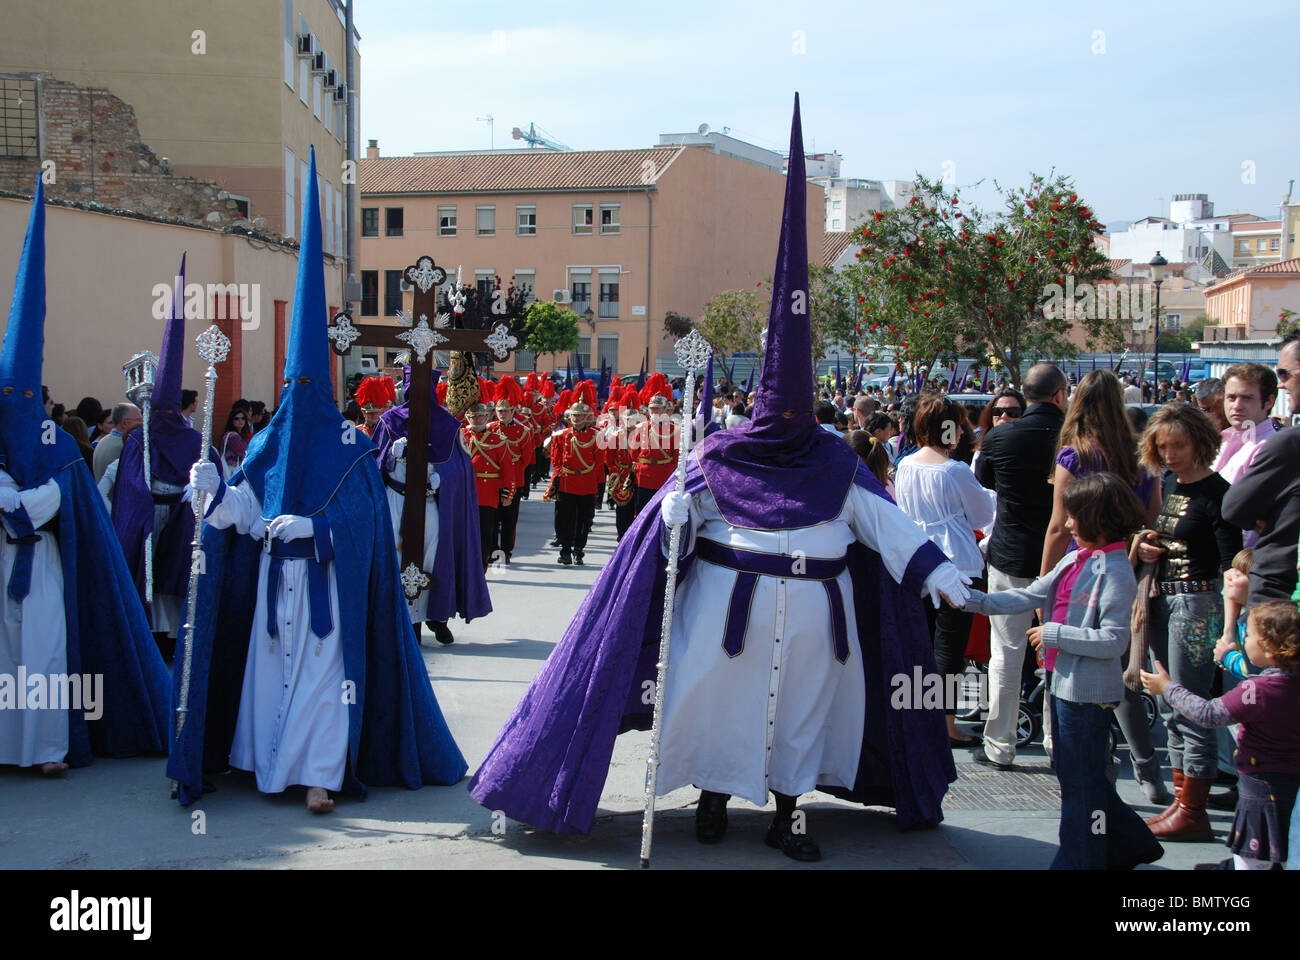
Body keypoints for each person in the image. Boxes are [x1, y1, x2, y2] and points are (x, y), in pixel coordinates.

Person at [469, 97, 971, 861]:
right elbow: (676, 514)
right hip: (725, 610)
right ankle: (708, 797)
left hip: (818, 618)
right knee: (709, 707)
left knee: (803, 717)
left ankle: (786, 814)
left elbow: (883, 525)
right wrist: (673, 516)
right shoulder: (719, 458)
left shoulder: (836, 461)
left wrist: (934, 572)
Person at [174, 151, 466, 814]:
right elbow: (240, 514)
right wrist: (209, 490)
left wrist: (316, 528)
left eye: (309, 384)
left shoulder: (350, 445)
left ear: (323, 385)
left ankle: (320, 775)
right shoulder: (271, 439)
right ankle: (266, 765)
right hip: (274, 583)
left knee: (325, 682)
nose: (299, 394)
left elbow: (365, 529)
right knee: (269, 679)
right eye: (291, 384)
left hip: (325, 588)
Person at [0, 179, 170, 774]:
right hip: (3, 561)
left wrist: (23, 497)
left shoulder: (62, 450)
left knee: (44, 654)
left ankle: (47, 748)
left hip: (42, 567)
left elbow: (41, 507)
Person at [962, 473, 1164, 869]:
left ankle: (1079, 859)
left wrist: (1054, 633)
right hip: (1066, 687)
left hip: (1087, 695)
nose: (1067, 524)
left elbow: (1113, 642)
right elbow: (1032, 594)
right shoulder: (1077, 557)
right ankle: (1130, 843)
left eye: (1074, 517)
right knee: (1085, 780)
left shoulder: (1117, 573)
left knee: (1081, 786)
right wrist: (973, 601)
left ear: (1098, 519)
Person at [1037, 368, 1164, 798]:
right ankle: (1147, 768)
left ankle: (1092, 762)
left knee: (1074, 666)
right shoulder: (1140, 456)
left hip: (1082, 570)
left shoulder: (1073, 456)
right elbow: (1153, 518)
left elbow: (1058, 526)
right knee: (1124, 669)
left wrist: (1044, 586)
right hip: (1125, 565)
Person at [1134, 403, 1241, 840]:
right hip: (1164, 600)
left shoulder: (1219, 493)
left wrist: (1230, 627)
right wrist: (1144, 547)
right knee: (1168, 702)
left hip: (1197, 604)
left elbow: (1231, 564)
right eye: (1163, 446)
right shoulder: (1171, 482)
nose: (1171, 454)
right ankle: (1184, 802)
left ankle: (1192, 809)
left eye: (1178, 445)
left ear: (1199, 442)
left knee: (1187, 701)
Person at [110, 255, 219, 656]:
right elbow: (129, 484)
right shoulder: (140, 439)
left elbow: (212, 477)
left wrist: (193, 497)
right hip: (151, 515)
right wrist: (143, 504)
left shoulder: (194, 440)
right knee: (149, 573)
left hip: (181, 516)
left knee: (177, 575)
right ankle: (151, 634)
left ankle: (174, 635)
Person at [1143, 599, 1300, 869]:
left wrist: (1167, 688)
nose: (1244, 639)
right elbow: (1247, 667)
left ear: (1270, 648)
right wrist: (1228, 657)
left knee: (1252, 863)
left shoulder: (1256, 691)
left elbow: (1208, 713)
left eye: (1248, 635)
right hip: (1293, 794)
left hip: (1260, 795)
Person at [974, 363, 1067, 769]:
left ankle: (1000, 744)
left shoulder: (1000, 436)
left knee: (1006, 652)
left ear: (1026, 396)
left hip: (1012, 555)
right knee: (1061, 650)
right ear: (1061, 394)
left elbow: (987, 481)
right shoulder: (1073, 437)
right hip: (1063, 558)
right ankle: (1057, 743)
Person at [894, 393, 994, 747]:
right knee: (950, 646)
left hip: (917, 560)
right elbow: (983, 515)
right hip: (957, 563)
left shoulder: (905, 465)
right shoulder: (955, 470)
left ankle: (923, 715)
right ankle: (946, 722)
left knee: (922, 641)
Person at [371, 367, 492, 646]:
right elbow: (372, 464)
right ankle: (399, 618)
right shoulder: (389, 421)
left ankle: (435, 616)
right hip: (396, 499)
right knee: (394, 556)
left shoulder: (448, 425)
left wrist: (441, 478)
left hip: (428, 501)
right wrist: (392, 454)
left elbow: (461, 470)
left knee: (434, 557)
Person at [1220, 333, 1300, 604]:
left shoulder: (1281, 444)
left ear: (1267, 403)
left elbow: (1233, 509)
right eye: (1230, 397)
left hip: (1258, 576)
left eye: (1246, 398)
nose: (1236, 405)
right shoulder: (1222, 442)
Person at [546, 382, 606, 565]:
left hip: (587, 482)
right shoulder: (561, 436)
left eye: (581, 415)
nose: (577, 418)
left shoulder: (597, 436)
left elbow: (599, 462)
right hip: (567, 481)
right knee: (565, 518)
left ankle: (579, 548)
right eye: (574, 415)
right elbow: (556, 461)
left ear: (587, 416)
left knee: (584, 519)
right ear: (569, 416)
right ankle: (565, 549)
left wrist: (596, 484)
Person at [462, 392, 512, 570]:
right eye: (474, 417)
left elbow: (508, 470)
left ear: (488, 417)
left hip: (488, 493)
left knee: (485, 532)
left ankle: (481, 565)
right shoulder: (460, 437)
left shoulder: (498, 440)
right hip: (465, 492)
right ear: (467, 418)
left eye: (481, 416)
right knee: (464, 532)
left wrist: (508, 493)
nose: (477, 420)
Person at [489, 375, 531, 562]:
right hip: (492, 478)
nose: (503, 414)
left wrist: (511, 475)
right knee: (492, 517)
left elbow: (526, 458)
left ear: (513, 411)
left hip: (514, 478)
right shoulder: (489, 429)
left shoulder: (523, 431)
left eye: (506, 411)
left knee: (509, 519)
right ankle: (492, 550)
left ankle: (506, 551)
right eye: (500, 411)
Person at [629, 374, 678, 516]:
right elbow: (634, 453)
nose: (655, 411)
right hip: (644, 475)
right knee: (642, 512)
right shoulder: (641, 427)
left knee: (663, 513)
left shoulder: (674, 429)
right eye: (652, 409)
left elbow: (676, 456)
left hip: (664, 474)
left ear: (665, 410)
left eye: (658, 408)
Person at [91, 402, 141, 482]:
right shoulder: (124, 446)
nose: (142, 423)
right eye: (139, 419)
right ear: (125, 423)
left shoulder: (102, 441)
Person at [218, 405, 250, 479]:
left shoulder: (237, 435)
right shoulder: (233, 436)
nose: (240, 421)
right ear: (232, 420)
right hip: (232, 470)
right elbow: (244, 453)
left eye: (243, 418)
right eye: (237, 419)